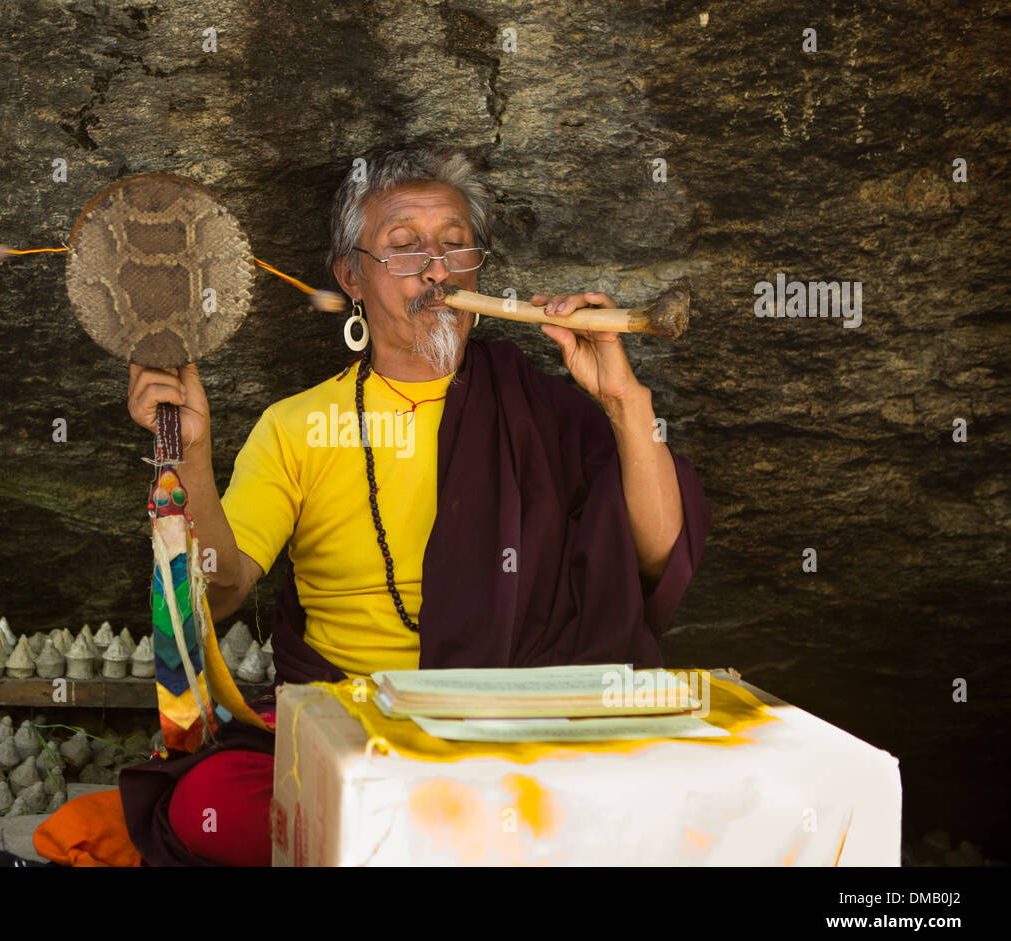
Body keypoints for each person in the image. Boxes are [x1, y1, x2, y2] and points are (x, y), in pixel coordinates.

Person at [68, 147, 709, 867]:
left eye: (456, 243)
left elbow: (656, 556)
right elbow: (218, 590)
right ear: (351, 277)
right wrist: (188, 452)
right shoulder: (298, 425)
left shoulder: (547, 408)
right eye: (405, 247)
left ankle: (414, 840)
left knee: (667, 788)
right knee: (206, 803)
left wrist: (624, 401)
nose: (436, 268)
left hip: (521, 725)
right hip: (357, 730)